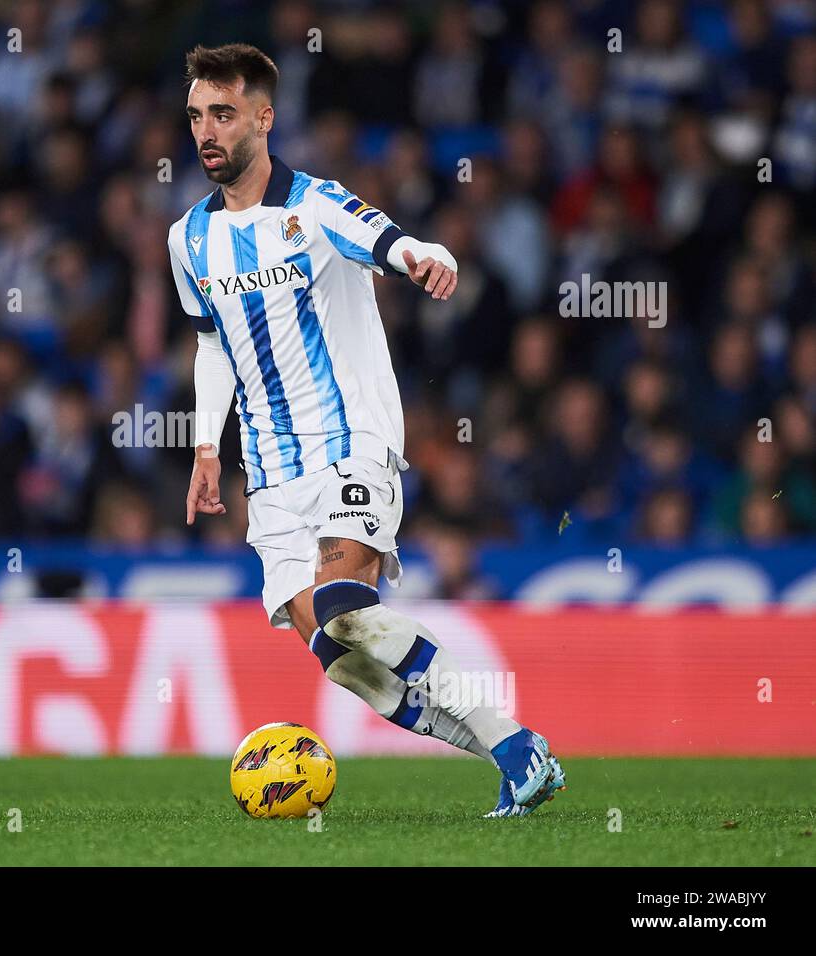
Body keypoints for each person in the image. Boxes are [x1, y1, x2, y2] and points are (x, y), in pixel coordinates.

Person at [169, 43, 565, 817]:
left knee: (349, 605)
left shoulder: (316, 205)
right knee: (344, 660)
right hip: (273, 478)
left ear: (263, 117)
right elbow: (210, 344)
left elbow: (389, 238)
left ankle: (520, 752)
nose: (206, 131)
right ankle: (517, 751)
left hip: (351, 442)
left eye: (221, 113)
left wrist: (428, 253)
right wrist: (206, 446)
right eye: (194, 116)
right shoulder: (189, 239)